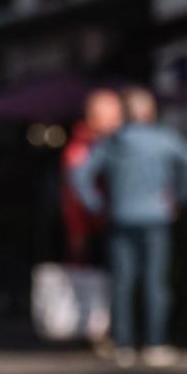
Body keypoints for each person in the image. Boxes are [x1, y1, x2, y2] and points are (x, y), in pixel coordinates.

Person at [71, 86, 187, 368]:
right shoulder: (163, 139)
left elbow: (79, 175)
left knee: (123, 283)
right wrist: (178, 197)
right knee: (155, 283)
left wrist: (98, 204)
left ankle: (124, 344)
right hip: (156, 217)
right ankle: (155, 343)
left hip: (121, 217)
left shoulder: (113, 142)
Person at [60, 88, 123, 267]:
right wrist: (99, 208)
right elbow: (77, 186)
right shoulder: (82, 147)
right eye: (113, 117)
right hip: (90, 227)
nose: (118, 122)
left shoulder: (110, 144)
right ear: (93, 117)